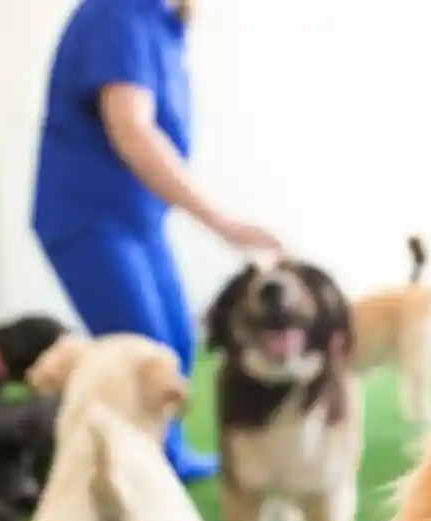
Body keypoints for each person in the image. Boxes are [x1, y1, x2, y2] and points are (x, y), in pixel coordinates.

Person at [32, 0, 282, 483]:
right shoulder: (117, 14)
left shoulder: (162, 22)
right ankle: (128, 478)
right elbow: (132, 130)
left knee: (177, 342)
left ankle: (167, 458)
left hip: (134, 217)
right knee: (140, 356)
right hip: (87, 215)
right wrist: (223, 223)